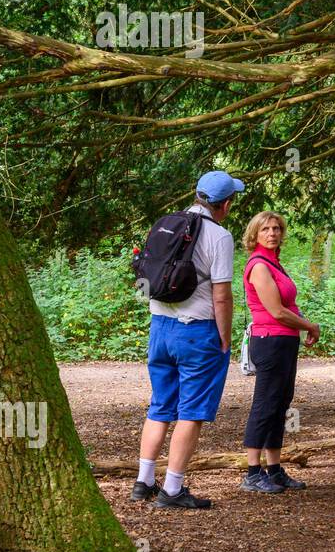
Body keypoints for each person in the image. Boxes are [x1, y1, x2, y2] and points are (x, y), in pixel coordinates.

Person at [132, 170, 243, 510]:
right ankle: (173, 488)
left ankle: (144, 481)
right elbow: (221, 295)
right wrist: (225, 337)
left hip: (159, 327)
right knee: (191, 412)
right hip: (197, 332)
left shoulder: (164, 223)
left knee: (161, 405)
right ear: (224, 204)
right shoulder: (219, 236)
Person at [240, 211, 320, 493]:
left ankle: (273, 469)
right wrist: (310, 325)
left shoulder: (275, 263)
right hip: (270, 340)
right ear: (255, 234)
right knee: (264, 403)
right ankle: (252, 472)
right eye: (265, 229)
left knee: (280, 404)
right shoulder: (259, 265)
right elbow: (276, 311)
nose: (272, 233)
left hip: (285, 341)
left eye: (276, 228)